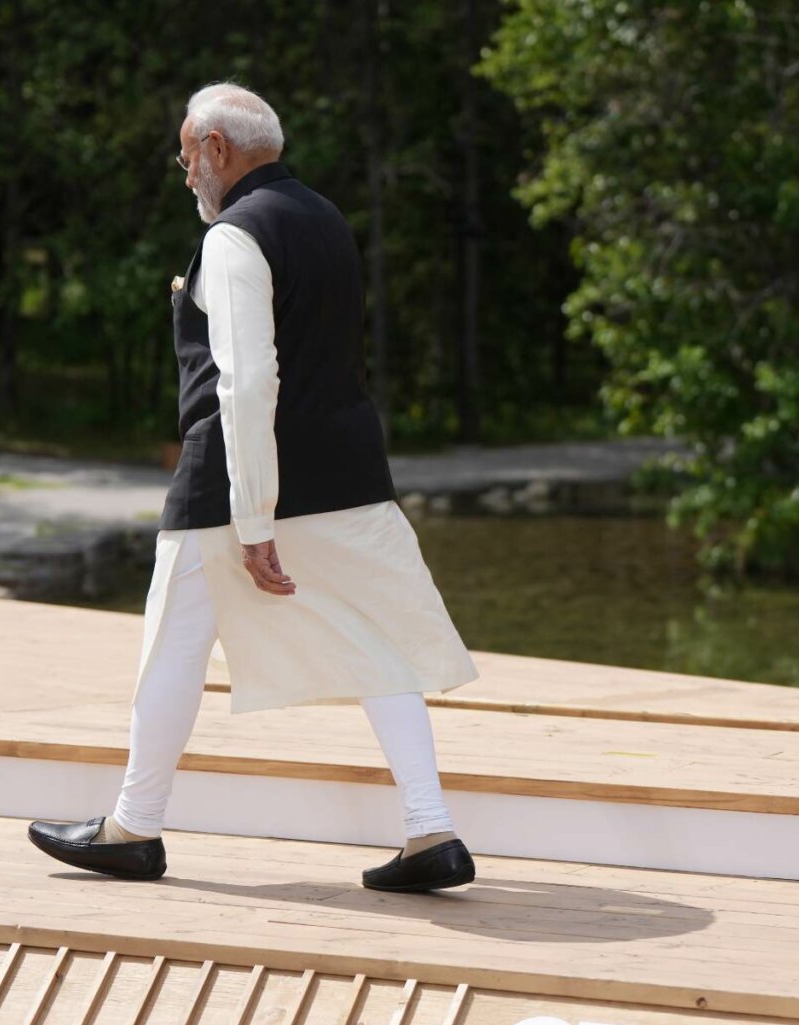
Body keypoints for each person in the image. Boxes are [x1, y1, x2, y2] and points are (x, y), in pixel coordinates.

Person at [28, 83, 479, 892]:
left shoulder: (237, 236)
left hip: (231, 485)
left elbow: (246, 384)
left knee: (171, 644)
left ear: (216, 150)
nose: (183, 170)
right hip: (348, 469)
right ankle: (430, 828)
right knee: (381, 646)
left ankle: (133, 826)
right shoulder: (326, 218)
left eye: (185, 153)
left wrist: (254, 516)